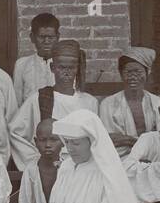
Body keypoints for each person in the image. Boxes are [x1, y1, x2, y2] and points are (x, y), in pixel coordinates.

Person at [9, 39, 98, 171]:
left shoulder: (89, 102)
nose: (66, 72)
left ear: (77, 68)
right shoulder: (39, 99)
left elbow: (95, 139)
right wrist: (35, 160)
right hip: (49, 167)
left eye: (71, 67)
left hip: (81, 168)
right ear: (52, 68)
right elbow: (15, 132)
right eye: (61, 67)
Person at [99, 47, 160, 155]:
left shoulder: (157, 103)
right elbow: (108, 140)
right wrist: (144, 141)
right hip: (120, 161)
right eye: (128, 72)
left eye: (138, 72)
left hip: (153, 159)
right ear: (121, 74)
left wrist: (127, 140)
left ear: (147, 73)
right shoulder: (108, 104)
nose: (133, 77)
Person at [17, 118, 62, 203]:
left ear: (63, 141)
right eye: (43, 140)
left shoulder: (68, 169)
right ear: (36, 142)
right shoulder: (31, 170)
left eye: (54, 139)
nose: (48, 145)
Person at [12, 12, 60, 105]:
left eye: (51, 37)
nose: (46, 41)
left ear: (57, 37)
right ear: (32, 37)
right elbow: (17, 102)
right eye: (41, 37)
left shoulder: (64, 65)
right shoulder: (21, 65)